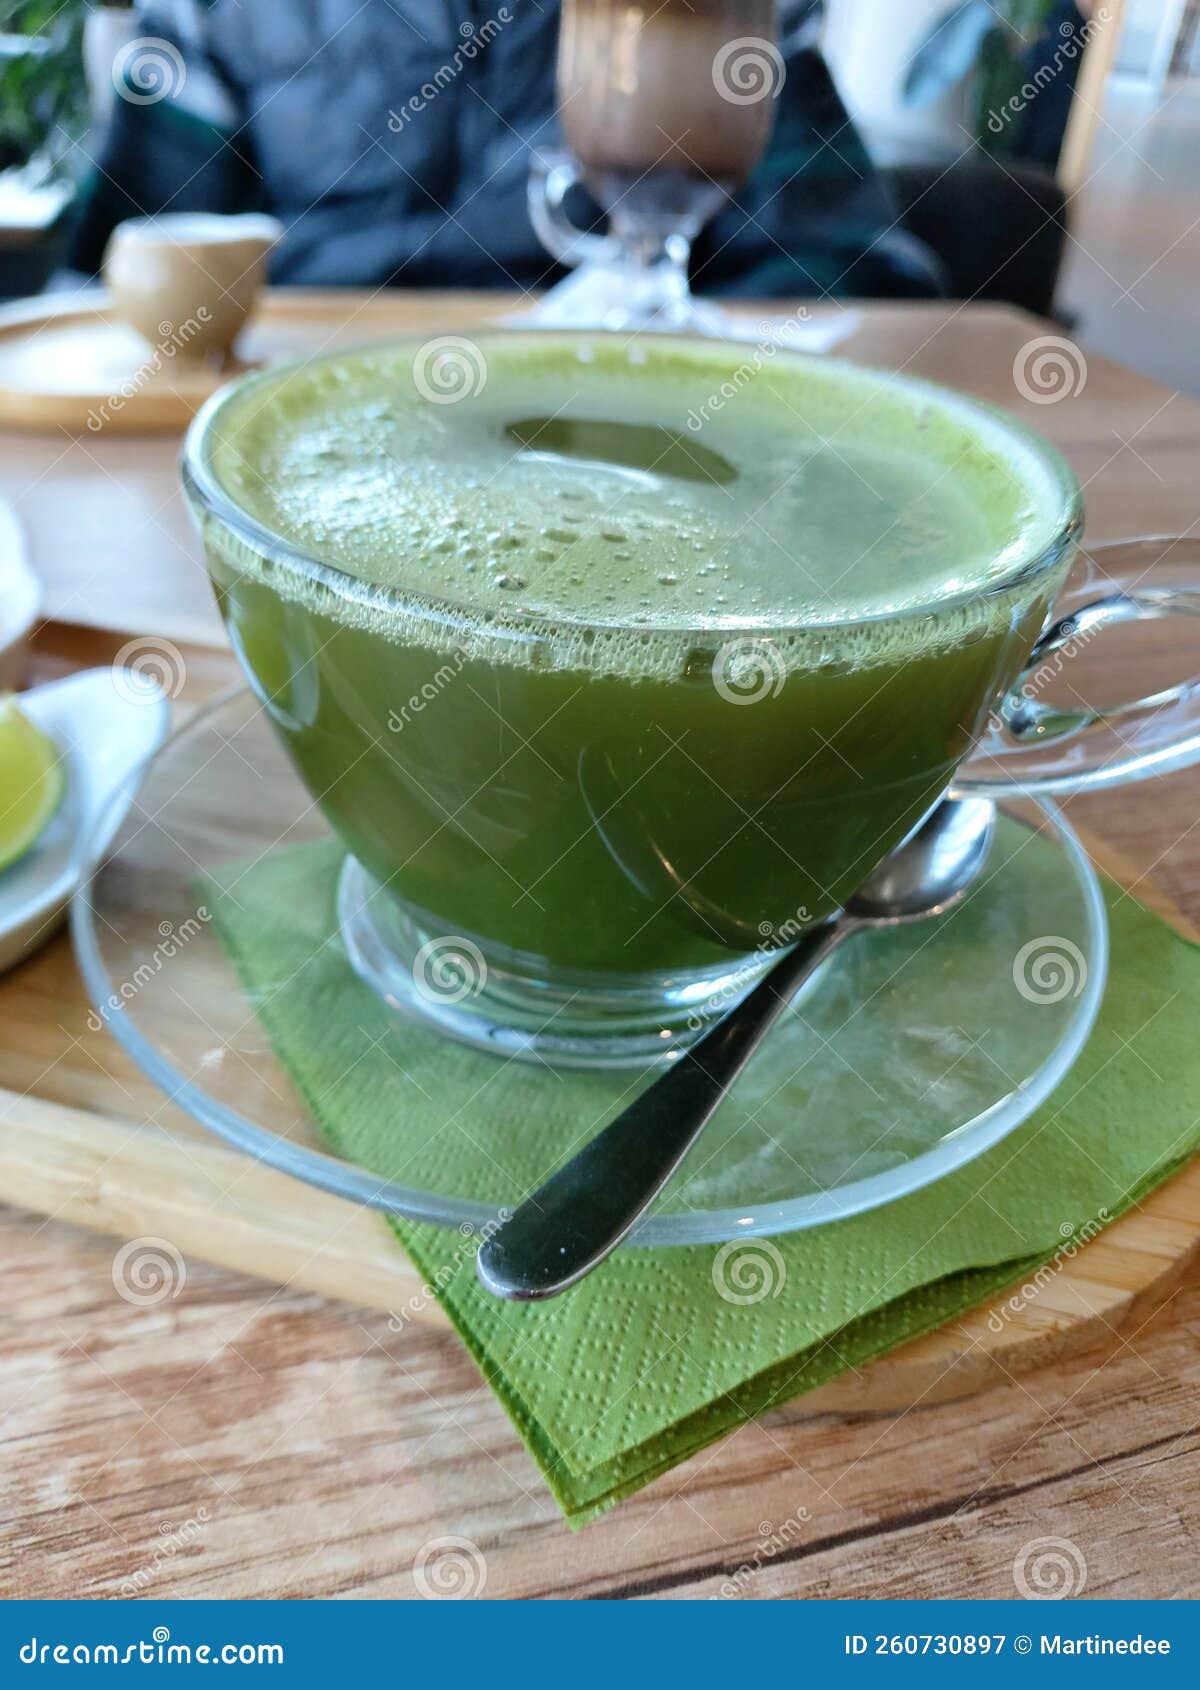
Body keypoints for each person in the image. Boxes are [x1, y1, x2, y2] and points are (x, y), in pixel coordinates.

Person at [66, 0, 942, 299]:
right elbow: (130, 257)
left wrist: (663, 349)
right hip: (292, 403)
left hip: (622, 445)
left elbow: (849, 269)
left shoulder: (720, 16)